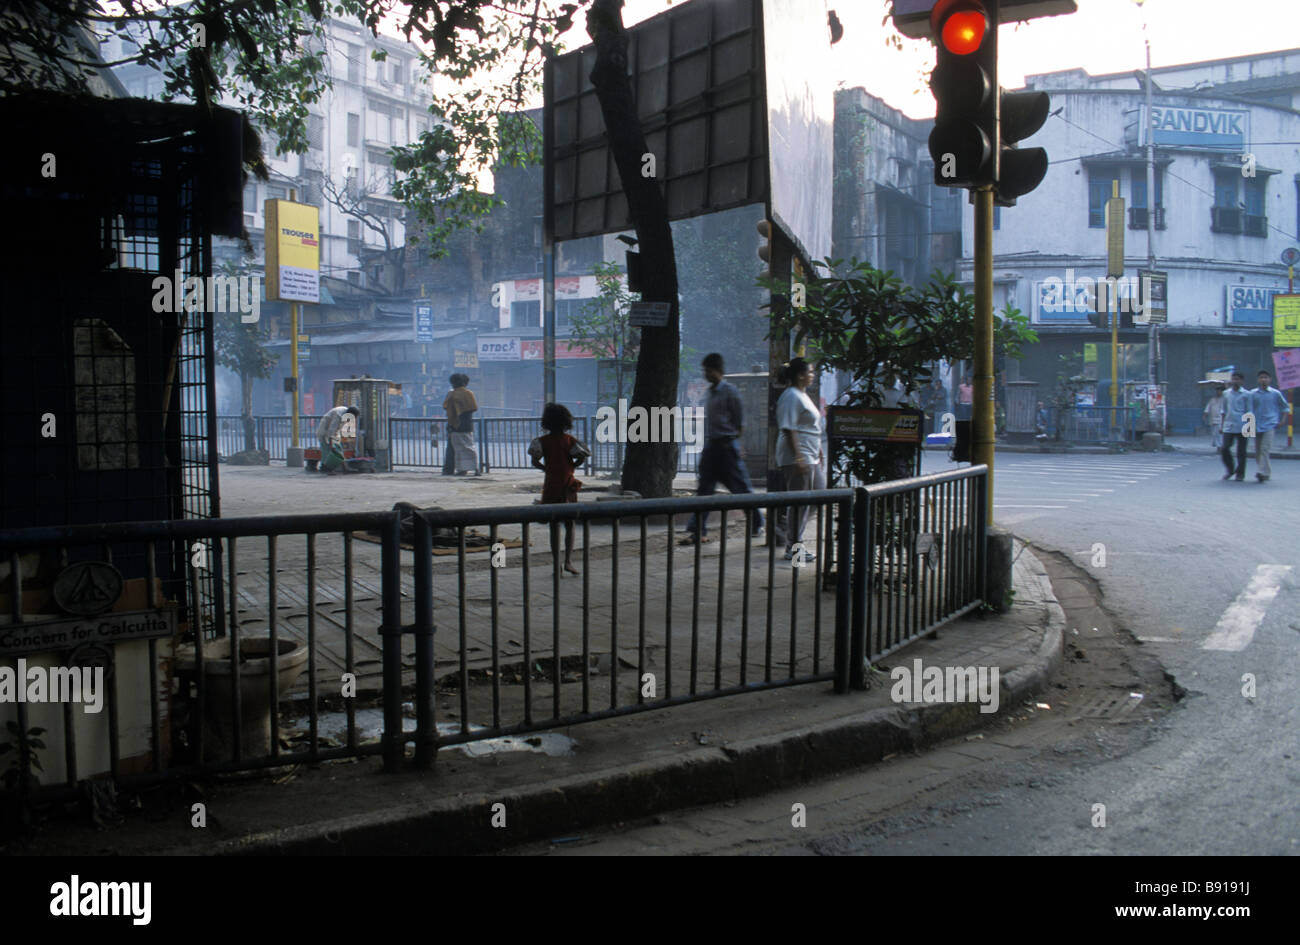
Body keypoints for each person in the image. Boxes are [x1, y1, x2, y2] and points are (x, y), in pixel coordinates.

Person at [683, 353, 763, 544]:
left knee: (741, 488)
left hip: (726, 448)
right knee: (704, 490)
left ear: (717, 370)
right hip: (712, 447)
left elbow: (739, 422)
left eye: (708, 370)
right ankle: (698, 530)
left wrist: (735, 442)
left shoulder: (730, 392)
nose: (705, 374)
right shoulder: (710, 392)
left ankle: (757, 522)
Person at [529, 403, 589, 574]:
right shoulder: (570, 440)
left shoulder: (542, 441)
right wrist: (571, 467)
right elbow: (581, 458)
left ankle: (557, 563)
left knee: (554, 526)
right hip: (568, 486)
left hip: (551, 487)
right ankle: (568, 561)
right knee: (570, 524)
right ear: (566, 421)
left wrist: (547, 469)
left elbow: (534, 461)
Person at [776, 357, 824, 561]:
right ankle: (794, 548)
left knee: (818, 496)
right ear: (799, 375)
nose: (812, 375)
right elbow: (789, 428)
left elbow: (808, 427)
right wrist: (798, 456)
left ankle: (792, 534)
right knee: (799, 502)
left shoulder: (803, 395)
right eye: (810, 372)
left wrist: (818, 449)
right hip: (798, 456)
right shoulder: (791, 396)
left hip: (810, 455)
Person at [1250, 370, 1291, 483]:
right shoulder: (1252, 394)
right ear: (1258, 380)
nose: (1263, 379)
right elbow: (1248, 409)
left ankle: (1261, 472)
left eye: (1266, 377)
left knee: (1265, 448)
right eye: (1261, 377)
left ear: (1270, 379)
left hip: (1270, 424)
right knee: (1258, 451)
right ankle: (1266, 472)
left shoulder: (1275, 393)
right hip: (1256, 424)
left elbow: (1285, 407)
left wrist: (1282, 420)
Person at [442, 373, 480, 476]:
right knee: (469, 448)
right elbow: (473, 408)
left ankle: (452, 469)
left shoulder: (451, 394)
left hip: (454, 425)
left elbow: (446, 407)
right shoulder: (469, 393)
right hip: (467, 425)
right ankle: (475, 468)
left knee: (454, 449)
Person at [1219, 372, 1251, 481]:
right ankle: (1230, 469)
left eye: (1237, 379)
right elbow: (1223, 410)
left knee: (1241, 451)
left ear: (1242, 381)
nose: (1235, 381)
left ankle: (1240, 473)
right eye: (1233, 379)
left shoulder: (1247, 394)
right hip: (1229, 425)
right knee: (1224, 448)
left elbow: (1249, 411)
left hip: (1243, 425)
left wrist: (1249, 428)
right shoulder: (1226, 394)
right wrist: (1221, 425)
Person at [315, 404, 359, 475]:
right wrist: (332, 443)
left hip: (333, 433)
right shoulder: (338, 415)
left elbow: (337, 428)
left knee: (339, 449)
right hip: (324, 431)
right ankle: (325, 468)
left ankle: (344, 468)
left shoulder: (345, 413)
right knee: (327, 450)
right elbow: (331, 430)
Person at [1202, 385, 1226, 450]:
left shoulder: (1225, 399)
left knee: (1220, 434)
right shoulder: (1212, 399)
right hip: (1212, 419)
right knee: (1214, 434)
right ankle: (1218, 447)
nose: (1218, 392)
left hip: (1221, 419)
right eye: (1217, 390)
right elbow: (1207, 408)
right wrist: (1205, 415)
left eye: (1220, 390)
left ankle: (1221, 447)